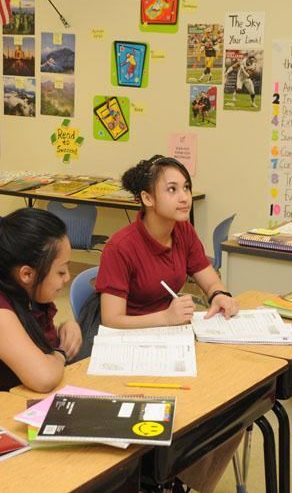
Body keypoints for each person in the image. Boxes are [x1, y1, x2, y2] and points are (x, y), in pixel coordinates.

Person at [95, 155, 240, 492]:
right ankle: (165, 475)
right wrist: (164, 317)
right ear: (147, 198)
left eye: (186, 187)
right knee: (194, 407)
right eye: (172, 189)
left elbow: (207, 276)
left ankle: (181, 477)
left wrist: (220, 293)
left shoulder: (183, 231)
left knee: (231, 403)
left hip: (172, 339)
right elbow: (111, 320)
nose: (184, 197)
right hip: (130, 347)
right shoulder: (121, 247)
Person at [0, 208, 82, 405]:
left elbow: (40, 345)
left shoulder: (27, 294)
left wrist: (66, 328)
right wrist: (61, 352)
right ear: (27, 274)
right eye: (61, 272)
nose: (67, 278)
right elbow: (43, 377)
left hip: (21, 405)